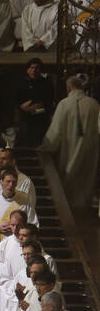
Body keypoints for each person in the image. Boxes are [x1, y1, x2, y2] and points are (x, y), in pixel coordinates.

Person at [40, 74, 99, 210]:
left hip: (69, 152)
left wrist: (45, 147)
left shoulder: (64, 104)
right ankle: (85, 215)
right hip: (90, 151)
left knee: (69, 186)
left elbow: (55, 132)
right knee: (86, 182)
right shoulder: (94, 104)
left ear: (68, 88)